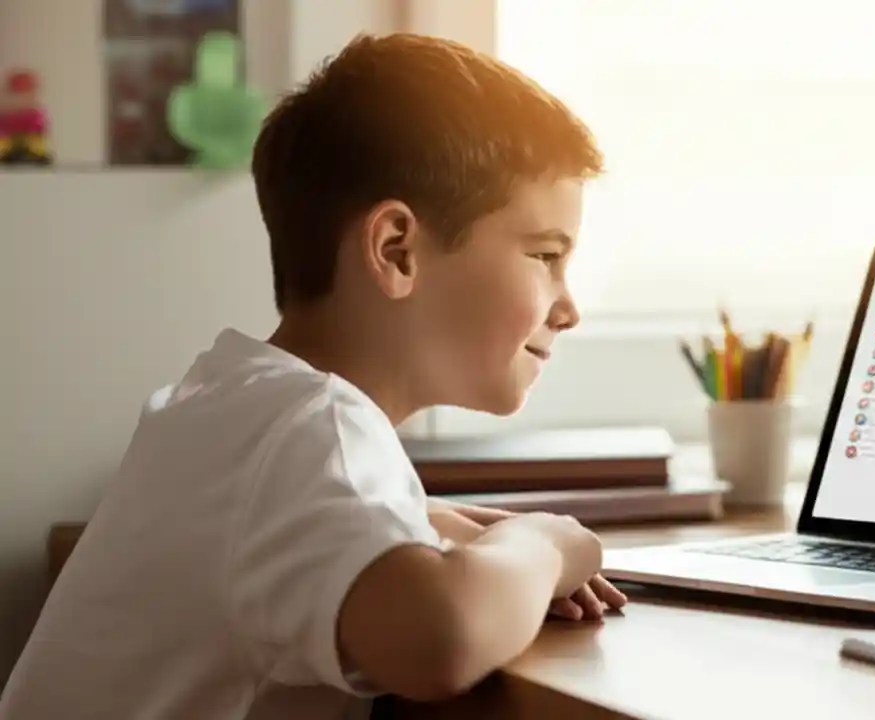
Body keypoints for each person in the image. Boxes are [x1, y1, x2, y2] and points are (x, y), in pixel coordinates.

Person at [0, 33, 625, 719]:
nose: (569, 308)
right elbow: (441, 636)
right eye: (545, 255)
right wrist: (547, 543)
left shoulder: (225, 398)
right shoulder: (313, 426)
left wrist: (446, 528)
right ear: (397, 250)